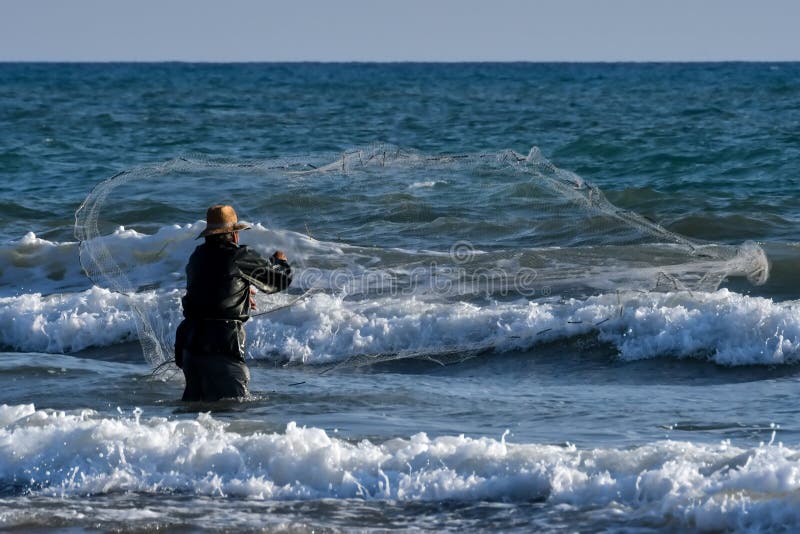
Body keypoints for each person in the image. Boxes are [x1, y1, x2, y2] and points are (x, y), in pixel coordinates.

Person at [174, 204, 292, 401]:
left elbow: (213, 290)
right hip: (223, 347)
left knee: (195, 416)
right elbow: (279, 281)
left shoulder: (197, 257)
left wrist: (241, 293)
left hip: (190, 348)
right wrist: (280, 262)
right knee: (233, 413)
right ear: (235, 235)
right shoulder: (239, 255)